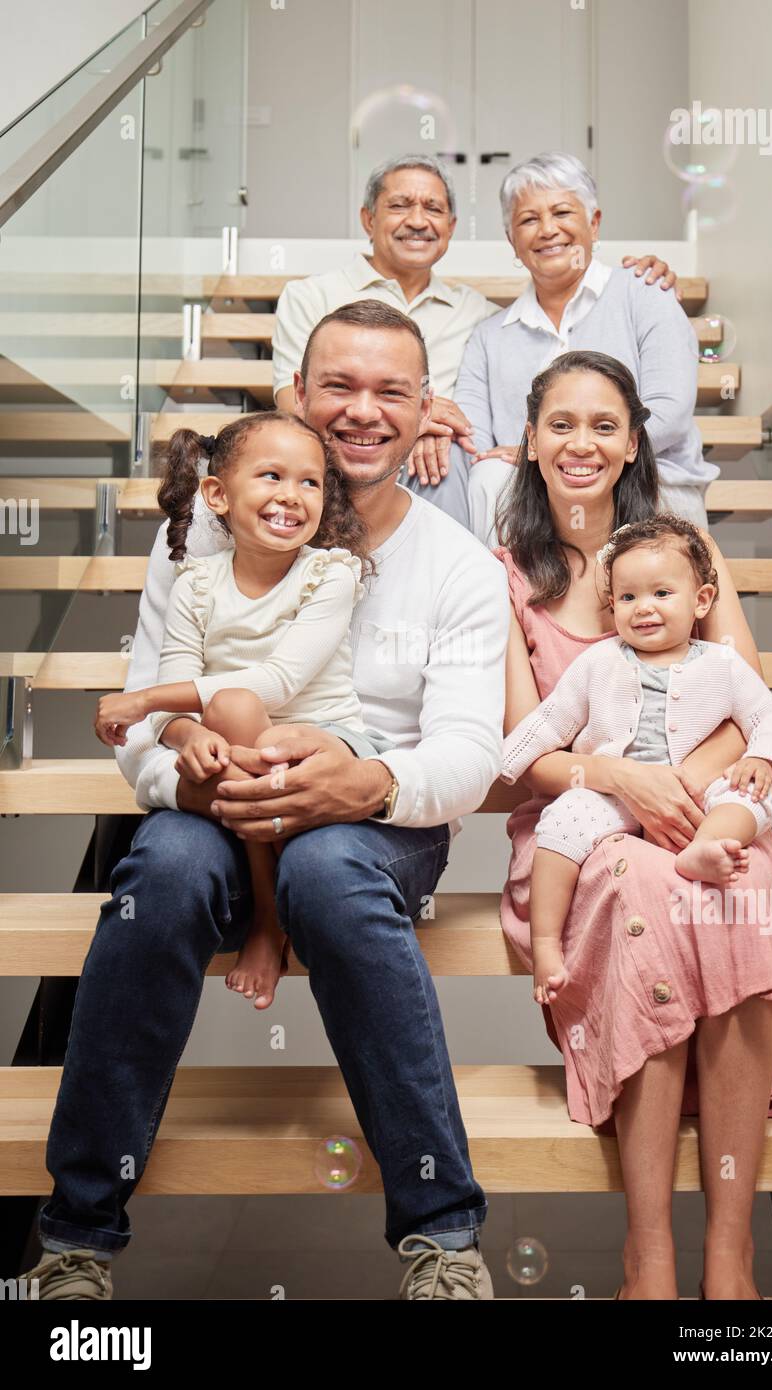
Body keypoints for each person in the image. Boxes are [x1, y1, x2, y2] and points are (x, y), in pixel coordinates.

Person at [25, 301, 509, 1302]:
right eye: (339, 385)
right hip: (219, 805)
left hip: (374, 820)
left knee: (328, 872)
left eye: (391, 391)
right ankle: (77, 1237)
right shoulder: (198, 540)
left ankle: (442, 1233)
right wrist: (192, 772)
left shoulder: (457, 564)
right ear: (295, 394)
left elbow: (468, 753)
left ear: (426, 409)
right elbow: (150, 729)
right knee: (161, 870)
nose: (363, 410)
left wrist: (371, 781)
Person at [494, 348, 772, 1300]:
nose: (582, 444)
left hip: (705, 808)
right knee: (644, 888)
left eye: (605, 425)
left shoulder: (688, 554)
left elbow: (748, 711)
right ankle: (649, 1249)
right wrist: (618, 779)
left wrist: (679, 789)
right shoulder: (506, 576)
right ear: (530, 442)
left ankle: (730, 1247)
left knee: (742, 887)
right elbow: (528, 752)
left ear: (634, 442)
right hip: (581, 822)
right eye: (561, 424)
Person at [93, 412, 395, 1010]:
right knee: (223, 720)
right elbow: (176, 699)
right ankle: (271, 907)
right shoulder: (196, 583)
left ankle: (265, 914)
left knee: (233, 703)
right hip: (232, 746)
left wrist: (148, 700)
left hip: (321, 742)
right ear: (217, 495)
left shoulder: (330, 573)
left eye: (310, 482)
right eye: (271, 476)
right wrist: (187, 739)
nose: (292, 495)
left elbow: (275, 684)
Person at [272, 152, 677, 527]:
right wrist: (416, 419)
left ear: (451, 227)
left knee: (445, 461)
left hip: (436, 466)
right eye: (399, 205)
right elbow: (297, 404)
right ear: (367, 219)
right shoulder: (311, 297)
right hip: (345, 456)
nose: (418, 221)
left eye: (433, 209)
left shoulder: (476, 312)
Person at [499, 512, 772, 1007]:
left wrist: (763, 759)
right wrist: (508, 759)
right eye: (628, 597)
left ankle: (706, 847)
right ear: (612, 604)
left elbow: (768, 716)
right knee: (561, 823)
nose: (644, 609)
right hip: (613, 794)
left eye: (661, 593)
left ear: (702, 601)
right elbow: (553, 721)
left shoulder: (723, 665)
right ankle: (546, 943)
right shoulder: (598, 663)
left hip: (700, 793)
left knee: (747, 801)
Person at [428, 152, 718, 546]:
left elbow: (671, 411)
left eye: (562, 213)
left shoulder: (647, 293)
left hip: (647, 483)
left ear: (593, 223)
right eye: (529, 220)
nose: (548, 230)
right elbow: (473, 437)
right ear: (512, 240)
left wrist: (575, 454)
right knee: (490, 477)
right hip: (535, 496)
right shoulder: (489, 336)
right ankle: (504, 588)